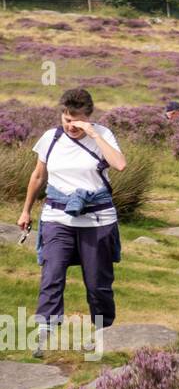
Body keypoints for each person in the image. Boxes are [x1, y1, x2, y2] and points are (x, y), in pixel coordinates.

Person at [17, 88, 127, 357]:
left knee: (97, 283)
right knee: (51, 277)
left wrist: (92, 134)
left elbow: (120, 164)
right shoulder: (50, 138)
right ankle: (44, 334)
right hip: (57, 218)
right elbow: (37, 176)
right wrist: (25, 211)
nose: (71, 125)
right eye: (67, 118)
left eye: (77, 120)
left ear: (89, 117)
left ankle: (103, 333)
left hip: (97, 220)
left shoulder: (102, 135)